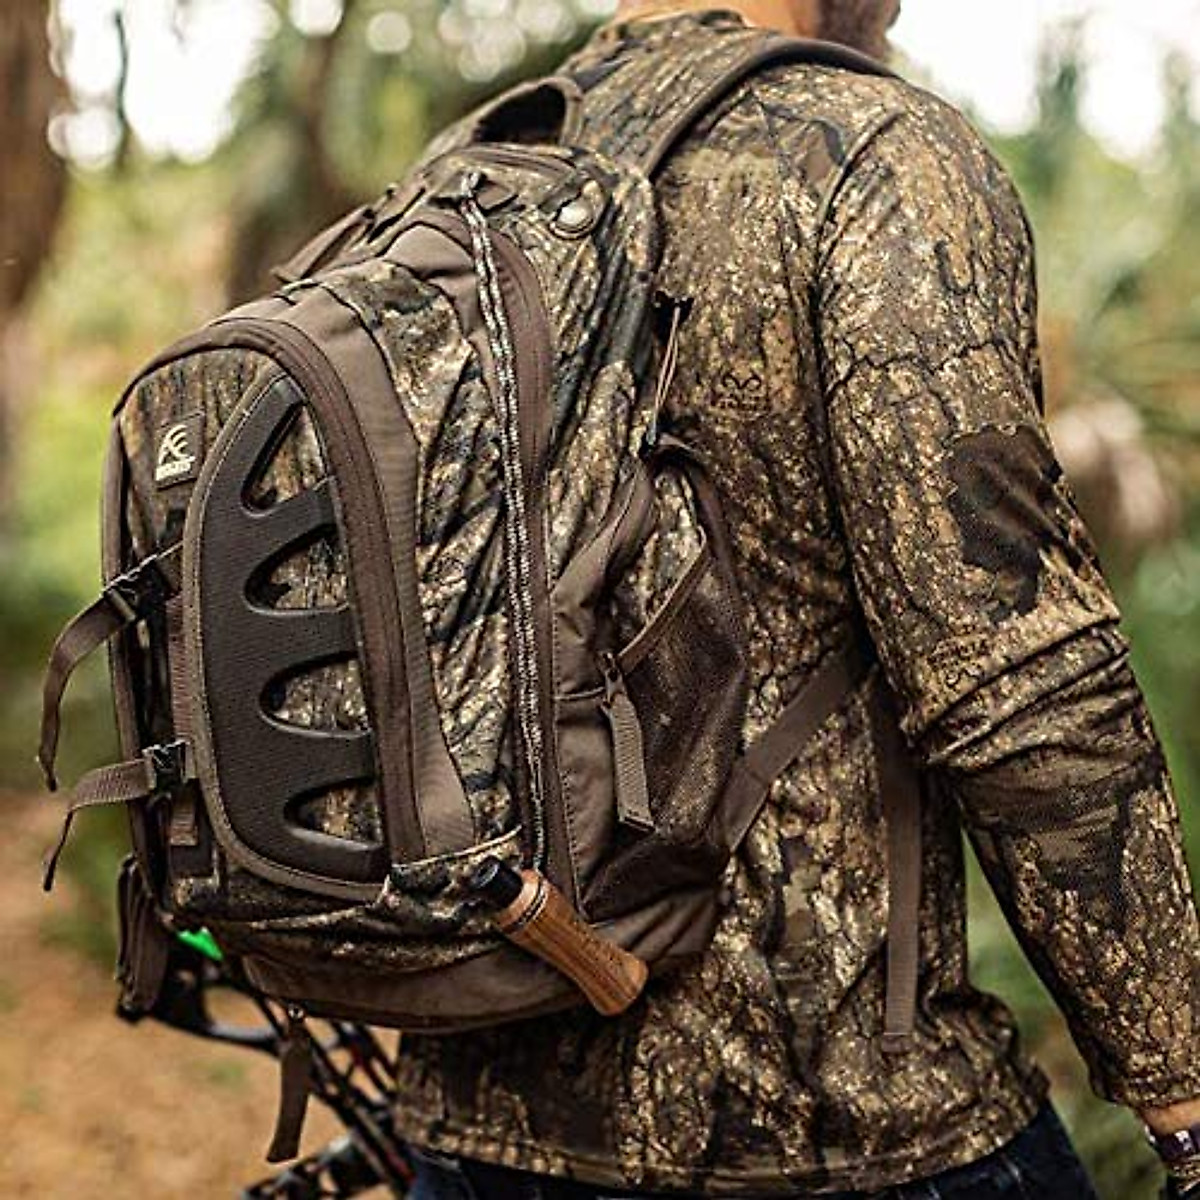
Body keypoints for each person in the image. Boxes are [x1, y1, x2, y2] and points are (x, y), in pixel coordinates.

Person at [391, 2, 1200, 1196]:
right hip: (841, 1129)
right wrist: (1179, 1084)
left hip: (472, 1109)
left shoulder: (463, 167)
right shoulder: (872, 155)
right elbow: (1015, 675)